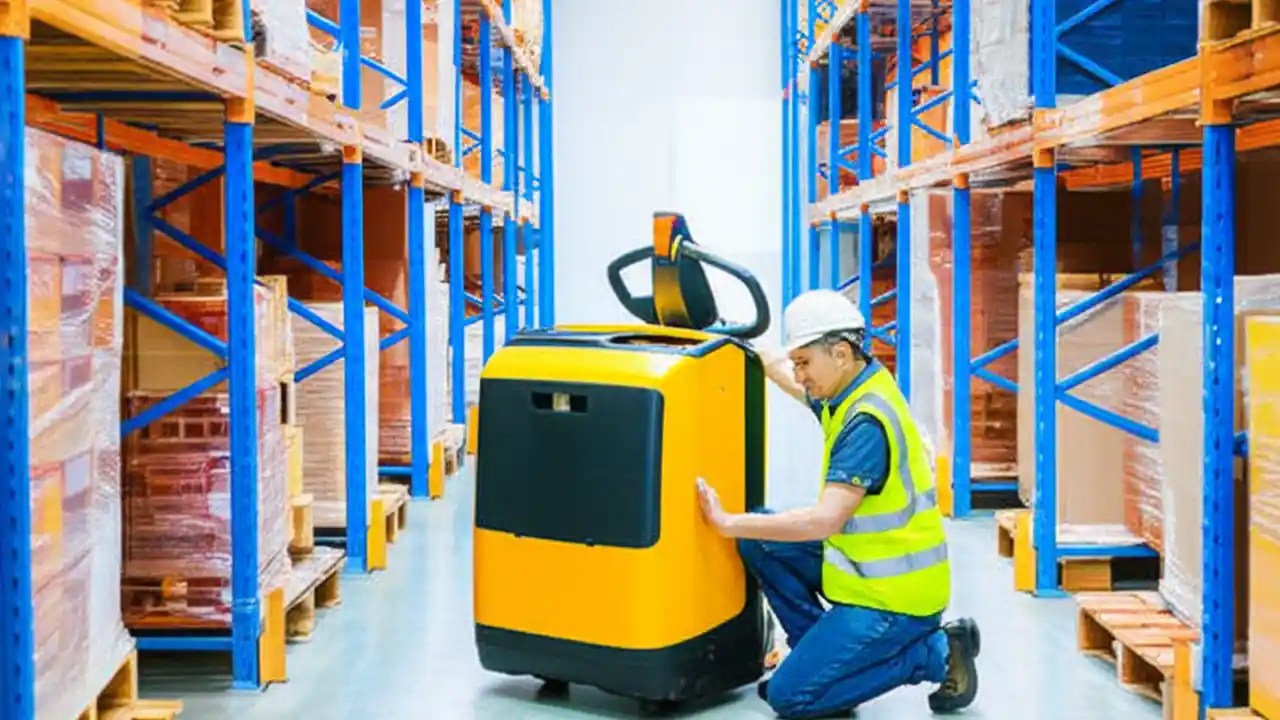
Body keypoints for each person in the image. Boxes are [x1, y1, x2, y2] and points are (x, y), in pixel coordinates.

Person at [695, 288, 980, 719]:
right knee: (761, 539)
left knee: (790, 698)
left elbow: (824, 521)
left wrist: (728, 522)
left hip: (895, 599)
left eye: (805, 363)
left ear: (841, 354)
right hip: (861, 569)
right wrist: (724, 335)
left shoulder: (865, 422)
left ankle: (934, 653)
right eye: (797, 363)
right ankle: (823, 657)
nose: (800, 374)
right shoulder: (847, 388)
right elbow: (779, 369)